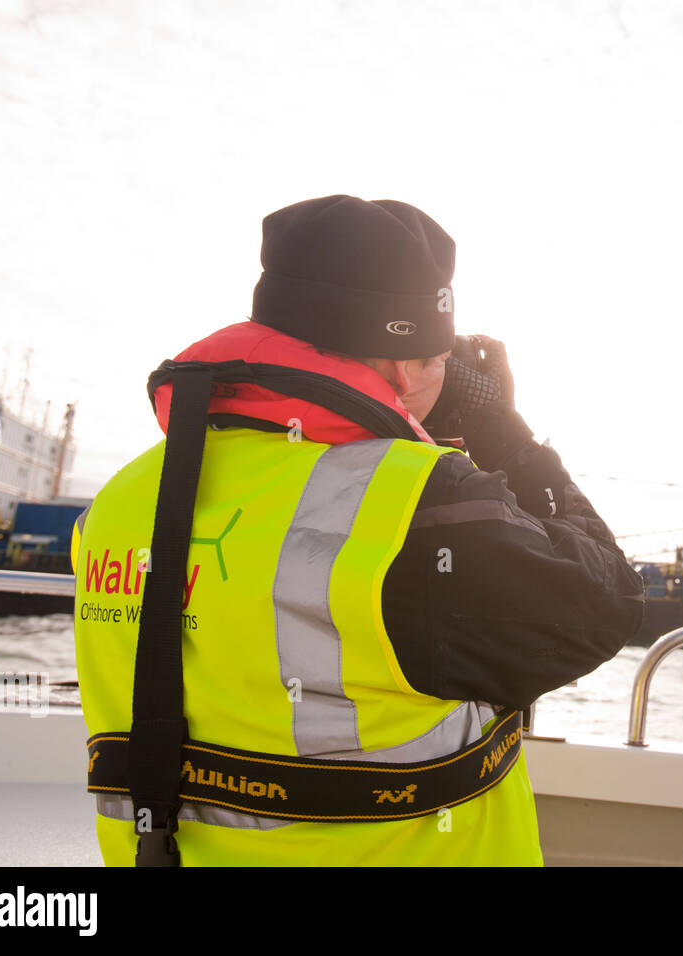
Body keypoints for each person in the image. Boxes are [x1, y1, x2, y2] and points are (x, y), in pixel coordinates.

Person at [71, 194, 646, 866]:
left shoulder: (121, 498)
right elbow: (607, 605)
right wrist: (508, 439)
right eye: (439, 357)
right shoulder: (413, 504)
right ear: (404, 366)